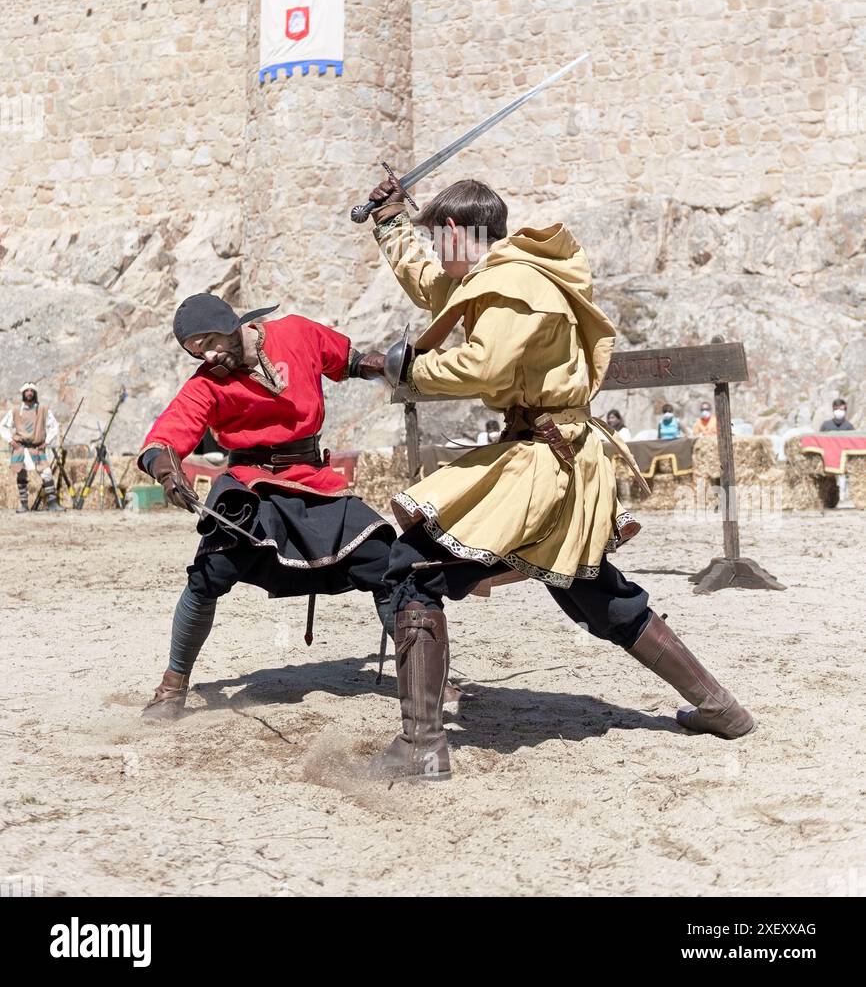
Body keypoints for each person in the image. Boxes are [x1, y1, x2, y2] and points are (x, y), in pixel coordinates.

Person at [363, 176, 754, 780]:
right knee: (595, 590)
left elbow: (483, 366)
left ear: (455, 232)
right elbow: (433, 288)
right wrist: (390, 222)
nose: (437, 254)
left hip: (544, 461)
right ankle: (720, 708)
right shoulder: (500, 275)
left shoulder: (516, 285)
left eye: (436, 240)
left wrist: (411, 367)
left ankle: (421, 749)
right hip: (554, 454)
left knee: (410, 567)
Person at [136, 294, 394, 719]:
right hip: (251, 487)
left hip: (315, 481)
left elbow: (351, 361)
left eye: (212, 342)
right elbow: (161, 440)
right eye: (198, 351)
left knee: (386, 562)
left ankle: (428, 678)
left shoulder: (297, 332)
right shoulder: (206, 384)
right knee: (208, 574)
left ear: (230, 322)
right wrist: (168, 472)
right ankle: (173, 684)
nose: (211, 355)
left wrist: (388, 365)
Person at [0, 382, 62, 512]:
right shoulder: (16, 411)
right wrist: (10, 440)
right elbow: (2, 426)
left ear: (35, 393)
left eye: (31, 391)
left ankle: (52, 504)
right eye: (27, 391)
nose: (29, 393)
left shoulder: (43, 410)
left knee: (47, 472)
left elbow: (54, 426)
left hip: (37, 448)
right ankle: (23, 505)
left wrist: (47, 441)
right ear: (23, 393)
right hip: (20, 448)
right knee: (21, 474)